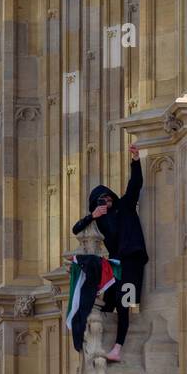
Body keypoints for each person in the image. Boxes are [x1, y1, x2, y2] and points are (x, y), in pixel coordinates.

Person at [71, 143, 147, 362]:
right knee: (110, 300)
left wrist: (135, 160)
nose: (107, 201)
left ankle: (118, 347)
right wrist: (92, 216)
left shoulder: (125, 206)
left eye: (108, 197)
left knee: (127, 303)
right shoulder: (100, 220)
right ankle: (100, 339)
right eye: (101, 200)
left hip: (132, 261)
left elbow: (136, 184)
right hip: (116, 265)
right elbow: (76, 229)